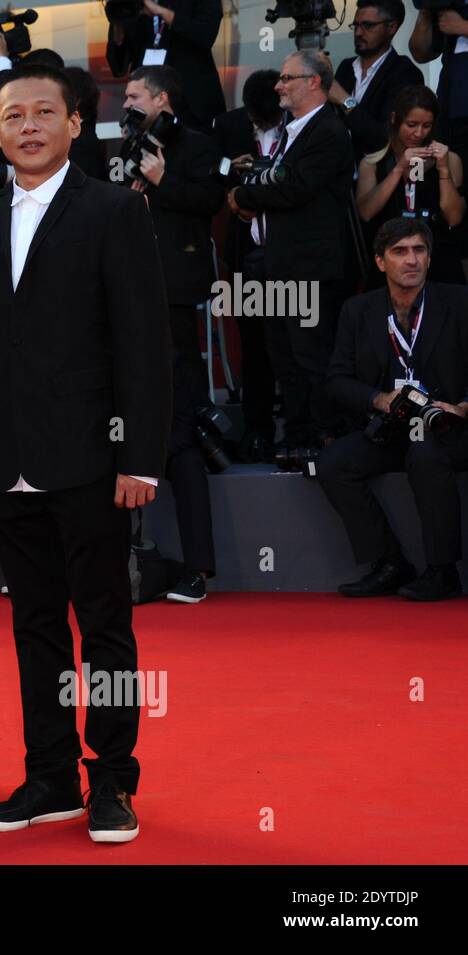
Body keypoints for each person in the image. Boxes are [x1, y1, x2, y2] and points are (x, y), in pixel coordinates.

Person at [0, 64, 171, 841]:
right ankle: (48, 778)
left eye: (47, 112)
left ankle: (112, 779)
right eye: (14, 115)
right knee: (34, 625)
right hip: (5, 462)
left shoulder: (113, 210)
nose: (30, 125)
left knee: (105, 623)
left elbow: (143, 340)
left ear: (77, 123)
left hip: (91, 458)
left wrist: (140, 457)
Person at [316, 218, 468, 601]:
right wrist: (378, 399)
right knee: (334, 462)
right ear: (381, 262)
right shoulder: (358, 311)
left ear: (430, 259)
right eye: (400, 252)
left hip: (449, 427)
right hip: (392, 424)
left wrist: (462, 407)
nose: (411, 260)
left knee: (426, 453)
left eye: (419, 250)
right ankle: (388, 563)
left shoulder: (459, 303)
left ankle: (443, 570)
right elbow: (336, 379)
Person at [121, 65, 224, 603]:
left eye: (136, 95)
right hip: (123, 305)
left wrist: (164, 182)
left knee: (180, 435)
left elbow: (212, 202)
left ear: (161, 98)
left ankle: (199, 570)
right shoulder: (124, 148)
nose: (128, 103)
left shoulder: (200, 145)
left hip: (176, 300)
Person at [228, 50, 357, 450]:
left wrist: (243, 193)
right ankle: (299, 436)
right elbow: (278, 179)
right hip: (277, 265)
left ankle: (323, 438)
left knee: (310, 357)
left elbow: (293, 186)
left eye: (287, 78)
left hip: (309, 269)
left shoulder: (328, 131)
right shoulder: (292, 130)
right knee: (283, 357)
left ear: (314, 82)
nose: (278, 86)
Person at [212, 69, 284, 461]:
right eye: (255, 119)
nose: (260, 125)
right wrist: (229, 168)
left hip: (291, 256)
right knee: (254, 345)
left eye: (266, 120)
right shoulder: (228, 125)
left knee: (294, 343)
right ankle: (258, 431)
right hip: (246, 252)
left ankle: (303, 427)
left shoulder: (298, 125)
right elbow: (210, 170)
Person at [357, 85, 465, 286]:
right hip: (389, 267)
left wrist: (443, 171)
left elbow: (454, 216)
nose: (419, 133)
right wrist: (398, 169)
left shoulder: (449, 160)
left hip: (438, 265)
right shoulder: (372, 164)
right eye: (412, 124)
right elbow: (366, 212)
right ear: (394, 119)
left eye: (427, 126)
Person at [329, 0, 426, 162]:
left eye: (368, 25)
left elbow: (386, 137)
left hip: (380, 175)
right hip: (340, 174)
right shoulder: (346, 67)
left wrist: (345, 100)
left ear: (391, 27)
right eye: (356, 25)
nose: (359, 32)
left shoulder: (405, 73)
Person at [106, 0, 226, 129]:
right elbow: (118, 67)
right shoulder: (136, 4)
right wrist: (117, 24)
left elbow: (205, 34)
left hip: (192, 102)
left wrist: (161, 12)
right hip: (146, 107)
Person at [411, 5, 468, 171]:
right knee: (447, 177)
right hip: (450, 107)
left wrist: (463, 27)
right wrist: (426, 8)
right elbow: (420, 53)